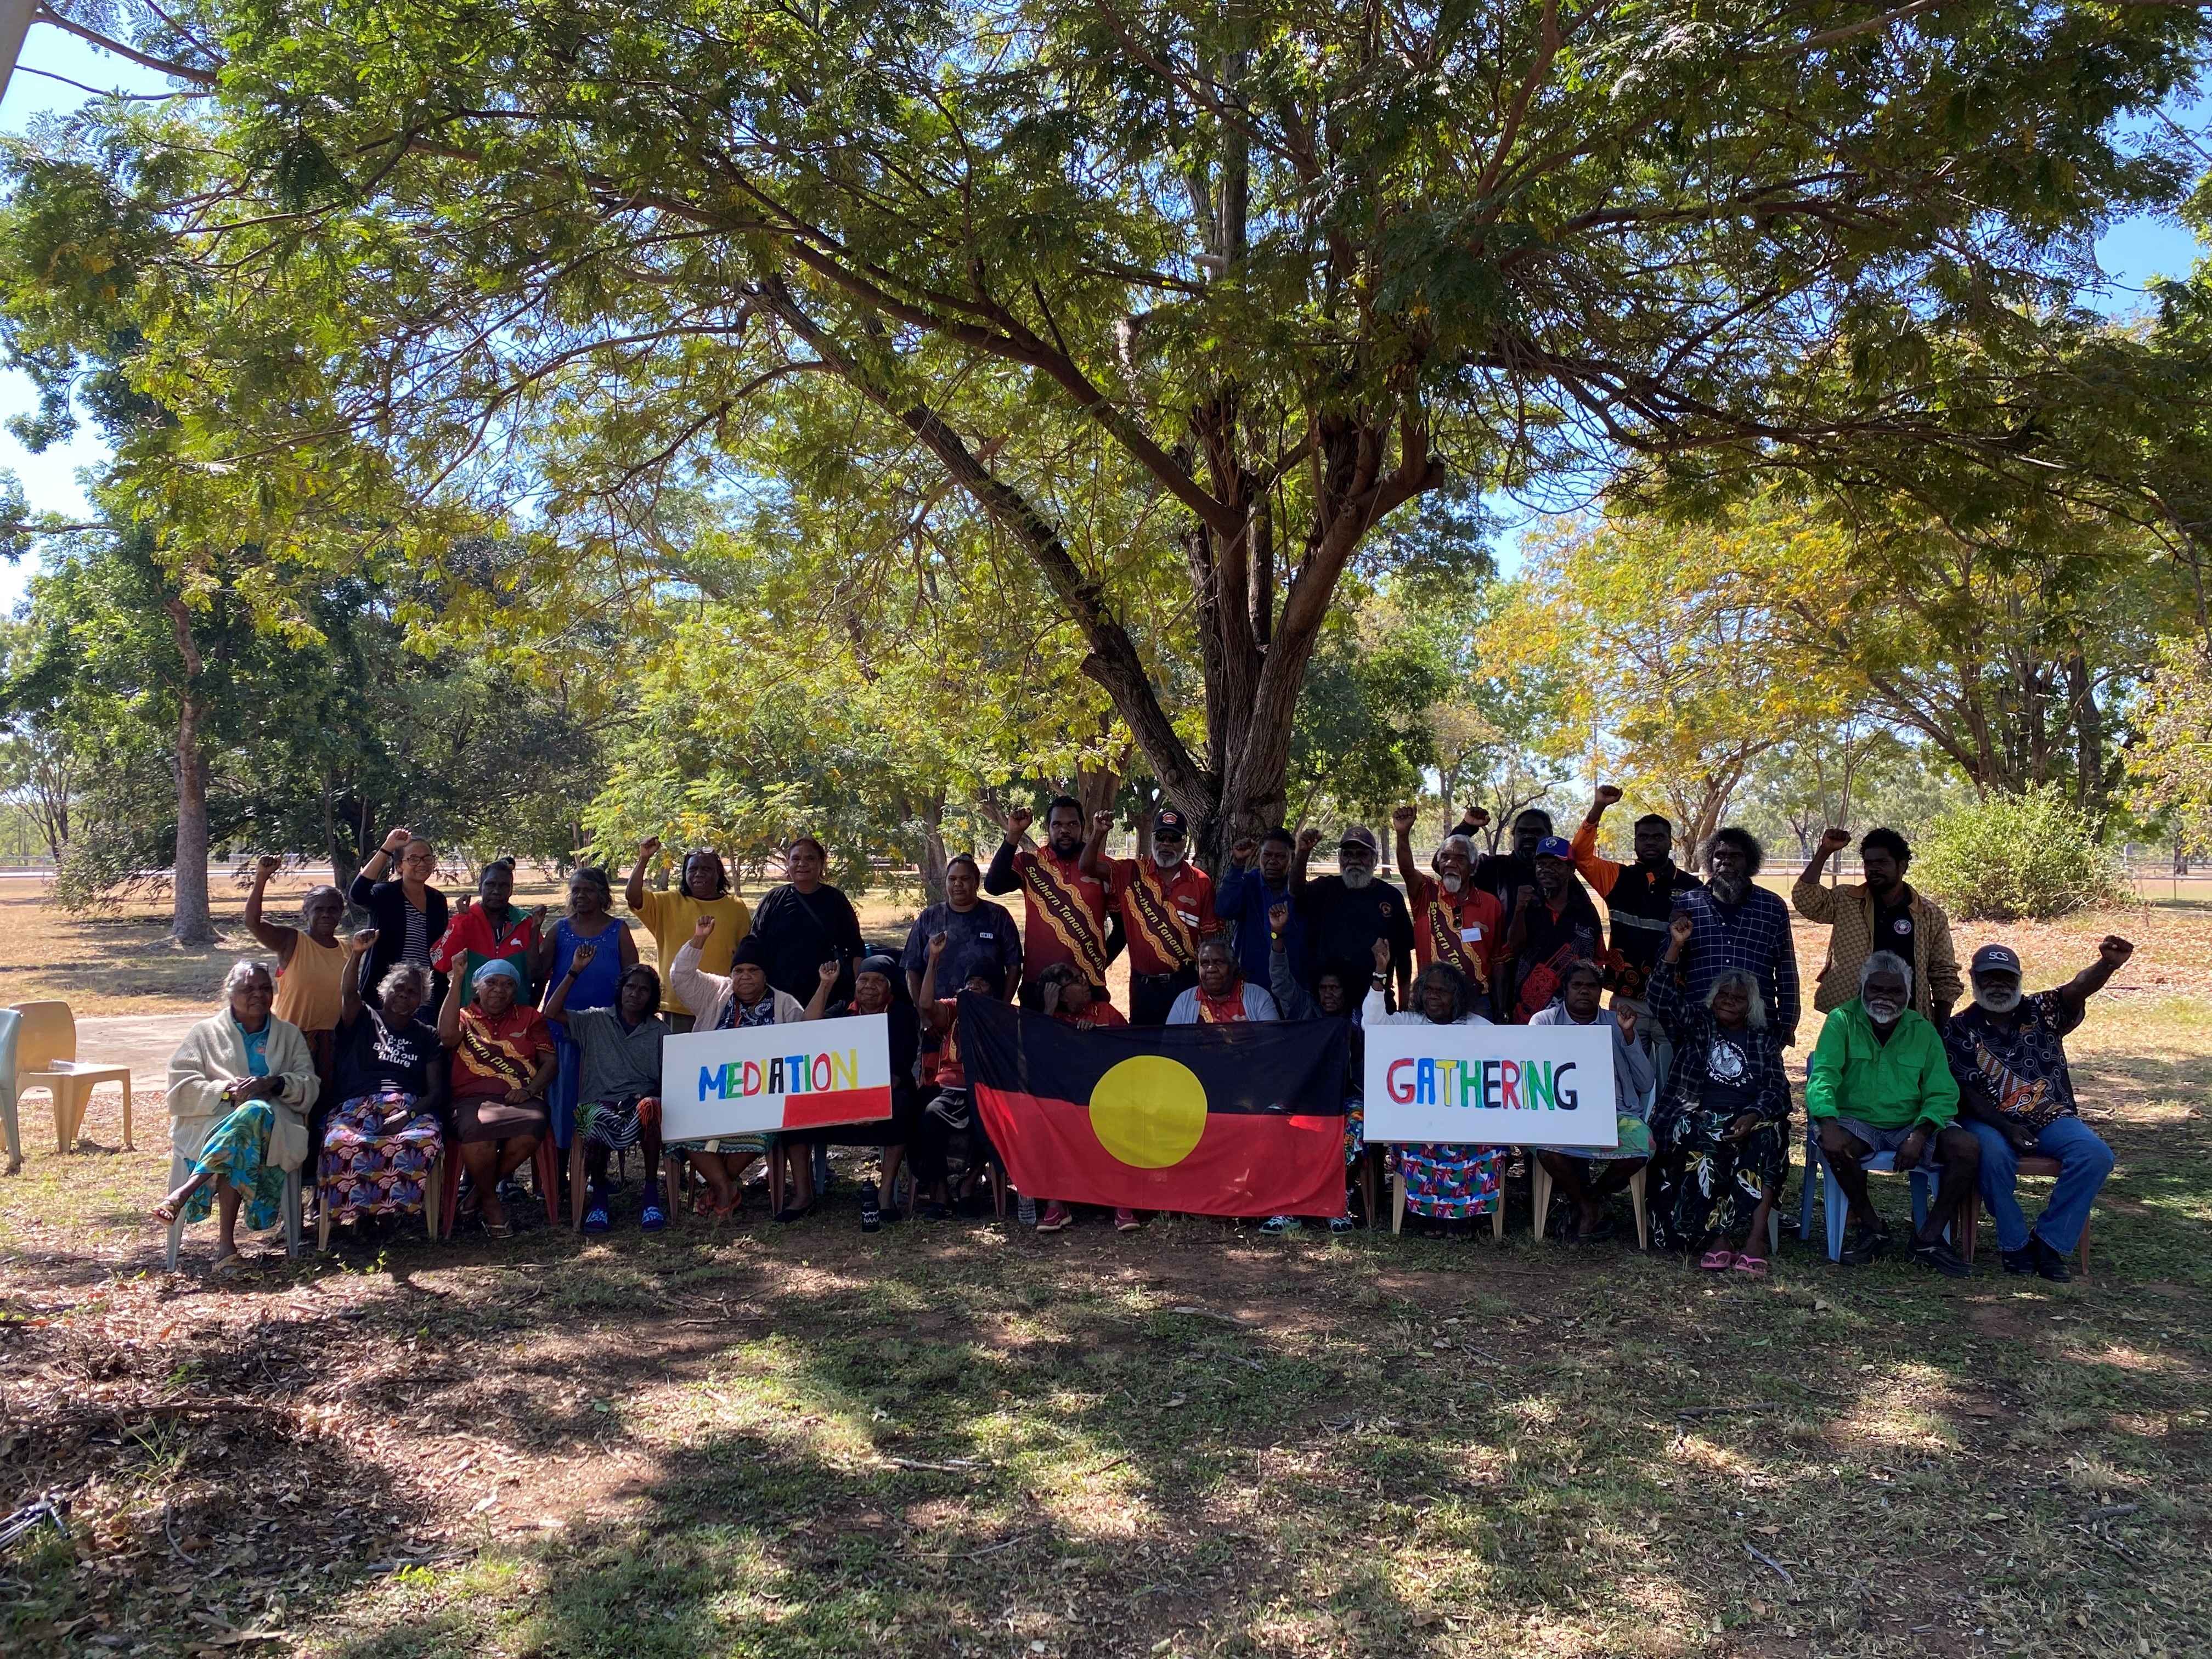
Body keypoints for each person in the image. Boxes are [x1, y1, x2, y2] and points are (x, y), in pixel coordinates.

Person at [1944, 937, 2131, 1282]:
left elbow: (2077, 989)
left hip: (2050, 1117)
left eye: (2006, 977)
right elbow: (1966, 1093)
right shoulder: (1958, 1029)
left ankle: (2049, 1243)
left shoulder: (2042, 1009)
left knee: (2096, 1156)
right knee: (1992, 1155)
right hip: (1989, 1120)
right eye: (1989, 977)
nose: (1998, 985)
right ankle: (2014, 1244)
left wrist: (2107, 965)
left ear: (2019, 979)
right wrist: (2007, 1127)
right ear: (1974, 979)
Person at [1805, 951, 1975, 1276]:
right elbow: (1823, 1075)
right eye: (1876, 989)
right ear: (1862, 989)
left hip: (1912, 1121)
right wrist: (1827, 1122)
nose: (1884, 997)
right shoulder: (1841, 1020)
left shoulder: (1923, 1031)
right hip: (1856, 1119)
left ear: (1908, 995)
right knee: (1835, 1146)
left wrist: (1920, 1134)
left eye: (1894, 991)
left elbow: (1942, 1092)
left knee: (1967, 1148)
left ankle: (1929, 1237)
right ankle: (1873, 1227)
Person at [1645, 913, 1795, 1271]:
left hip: (1749, 1118)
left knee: (1768, 1138)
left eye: (1738, 998)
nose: (1729, 1001)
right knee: (1704, 1134)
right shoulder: (1696, 1024)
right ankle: (1719, 1237)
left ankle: (1755, 1237)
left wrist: (1754, 1114)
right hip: (1696, 1113)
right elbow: (1660, 998)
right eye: (1723, 995)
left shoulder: (1762, 1040)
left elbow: (1779, 1092)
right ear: (1712, 999)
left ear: (1751, 1006)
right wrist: (1676, 946)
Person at [156, 961, 319, 1269]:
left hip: (275, 1126)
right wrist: (228, 1092)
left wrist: (275, 1083)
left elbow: (309, 1087)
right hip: (213, 1123)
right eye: (248, 989)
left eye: (264, 988)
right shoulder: (203, 1034)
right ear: (230, 994)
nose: (258, 994)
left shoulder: (288, 1035)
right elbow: (179, 1091)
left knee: (256, 1111)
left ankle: (187, 1192)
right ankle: (226, 1248)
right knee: (248, 1121)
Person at [665, 921, 834, 1219]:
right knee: (680, 1127)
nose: (744, 977)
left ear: (765, 975)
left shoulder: (783, 1004)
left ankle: (720, 1189)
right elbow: (680, 976)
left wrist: (824, 986)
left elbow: (807, 1037)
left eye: (753, 971)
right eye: (738, 971)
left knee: (762, 1131)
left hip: (761, 1102)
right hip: (711, 1096)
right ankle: (726, 1189)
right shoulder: (714, 993)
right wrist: (699, 938)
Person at [1361, 939, 1500, 1237]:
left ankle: (1464, 1219)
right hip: (1419, 1121)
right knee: (1418, 1145)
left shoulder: (1479, 1028)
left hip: (1469, 1121)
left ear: (1457, 997)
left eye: (1442, 991)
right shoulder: (1409, 1022)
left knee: (1482, 1147)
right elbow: (1371, 1025)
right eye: (1428, 989)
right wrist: (1380, 973)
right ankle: (1431, 1218)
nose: (1433, 996)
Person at [319, 944, 445, 1243]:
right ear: (384, 991)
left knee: (423, 1139)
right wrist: (357, 955)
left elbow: (437, 1091)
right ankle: (364, 1213)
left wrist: (408, 1115)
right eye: (398, 988)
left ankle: (387, 1212)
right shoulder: (363, 1018)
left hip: (409, 1107)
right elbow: (350, 994)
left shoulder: (426, 1035)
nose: (404, 995)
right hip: (355, 1105)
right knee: (341, 1142)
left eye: (412, 992)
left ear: (422, 1001)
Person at [1527, 960, 1655, 1244]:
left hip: (1615, 1113)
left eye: (1592, 986)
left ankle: (1587, 1202)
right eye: (1577, 985)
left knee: (1643, 1145)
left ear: (1601, 991)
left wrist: (1629, 1035)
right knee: (1543, 1148)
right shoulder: (1544, 1022)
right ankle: (1588, 1207)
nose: (1584, 991)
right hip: (1560, 1113)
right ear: (1566, 990)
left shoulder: (1616, 1023)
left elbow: (1646, 1082)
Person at [545, 947, 670, 1233]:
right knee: (598, 1114)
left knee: (652, 1107)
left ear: (652, 997)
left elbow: (672, 1079)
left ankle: (651, 1196)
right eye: (630, 987)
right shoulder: (595, 1020)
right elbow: (552, 1012)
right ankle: (598, 1196)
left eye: (643, 990)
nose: (635, 994)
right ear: (621, 990)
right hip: (598, 1105)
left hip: (640, 1106)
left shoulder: (661, 1032)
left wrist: (646, 1096)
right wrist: (575, 970)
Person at [1795, 826, 1963, 1026]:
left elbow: (1943, 973)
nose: (1873, 869)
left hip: (1909, 1018)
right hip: (1852, 1018)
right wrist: (1825, 850)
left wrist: (1941, 1029)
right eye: (1868, 863)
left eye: (1882, 862)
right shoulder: (1846, 900)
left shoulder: (1929, 915)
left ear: (1902, 866)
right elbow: (1806, 899)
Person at [437, 957, 555, 1239]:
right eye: (491, 983)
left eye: (508, 984)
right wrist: (456, 982)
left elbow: (550, 1063)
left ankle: (478, 1194)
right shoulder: (465, 1016)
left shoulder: (530, 1017)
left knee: (534, 1124)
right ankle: (491, 1203)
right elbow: (447, 1037)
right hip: (469, 1100)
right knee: (478, 1130)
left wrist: (528, 1090)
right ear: (478, 988)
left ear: (516, 991)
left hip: (520, 1098)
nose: (499, 990)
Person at [1264, 921, 1368, 1234]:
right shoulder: (1307, 1008)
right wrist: (1277, 936)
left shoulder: (1360, 1016)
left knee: (1356, 1124)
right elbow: (1281, 982)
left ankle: (1335, 1205)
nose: (1328, 995)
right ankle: (1288, 1206)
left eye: (1334, 988)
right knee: (1273, 1121)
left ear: (1346, 989)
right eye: (1323, 988)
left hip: (1347, 1097)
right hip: (1305, 1097)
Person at [813, 953, 922, 1233]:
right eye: (863, 979)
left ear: (890, 988)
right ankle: (804, 1195)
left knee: (903, 1105)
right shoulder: (842, 1009)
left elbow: (897, 1072)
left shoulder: (901, 1015)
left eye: (878, 981)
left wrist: (868, 1105)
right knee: (798, 1116)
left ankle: (886, 1194)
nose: (869, 986)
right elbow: (808, 1030)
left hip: (887, 1089)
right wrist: (825, 985)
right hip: (843, 1091)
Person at [1084, 807, 1221, 1024]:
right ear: (1152, 839)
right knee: (1147, 1052)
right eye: (1161, 837)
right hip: (1143, 987)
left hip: (1185, 983)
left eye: (1174, 838)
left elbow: (1210, 939)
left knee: (1183, 1049)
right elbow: (1087, 866)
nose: (1166, 844)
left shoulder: (1202, 883)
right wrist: (1098, 833)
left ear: (1184, 843)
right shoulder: (1129, 872)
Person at [1567, 786, 1701, 1003]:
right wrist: (1599, 807)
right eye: (1643, 837)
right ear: (1636, 842)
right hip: (1626, 998)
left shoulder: (1692, 886)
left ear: (1670, 842)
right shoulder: (1617, 877)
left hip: (1674, 999)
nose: (1650, 841)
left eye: (1658, 837)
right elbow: (1580, 857)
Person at [1671, 827, 1801, 1049]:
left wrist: (1784, 1030)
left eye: (1735, 856)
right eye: (1719, 856)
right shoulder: (1688, 905)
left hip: (1758, 1029)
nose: (1726, 862)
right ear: (1709, 861)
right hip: (1699, 1027)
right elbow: (1668, 969)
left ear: (1749, 861)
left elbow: (1786, 973)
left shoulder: (1772, 907)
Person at [536, 866, 637, 1151]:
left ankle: (595, 1169)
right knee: (563, 1096)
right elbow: (539, 969)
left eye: (588, 890)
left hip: (604, 1030)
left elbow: (633, 976)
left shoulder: (618, 930)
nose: (580, 896)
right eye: (576, 890)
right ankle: (561, 1169)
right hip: (562, 1026)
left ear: (603, 894)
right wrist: (534, 931)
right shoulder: (561, 929)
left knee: (598, 1099)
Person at [1023, 963, 1128, 1234]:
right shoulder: (1046, 1020)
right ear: (1057, 992)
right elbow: (1035, 1060)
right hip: (1064, 1098)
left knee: (1119, 1117)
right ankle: (1056, 1206)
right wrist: (1048, 1011)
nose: (1086, 984)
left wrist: (1097, 1037)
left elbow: (1131, 1050)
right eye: (1076, 981)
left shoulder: (1104, 1012)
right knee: (1044, 1118)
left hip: (1107, 1094)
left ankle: (1122, 1203)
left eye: (1084, 979)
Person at [912, 934, 1006, 1221]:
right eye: (971, 982)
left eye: (982, 983)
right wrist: (934, 958)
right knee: (928, 1115)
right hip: (948, 1086)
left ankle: (968, 1185)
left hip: (983, 1087)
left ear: (992, 991)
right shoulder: (954, 1009)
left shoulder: (1001, 1016)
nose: (974, 986)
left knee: (991, 1120)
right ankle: (941, 1192)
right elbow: (926, 1003)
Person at [985, 798, 1115, 1002]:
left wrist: (1098, 965)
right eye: (1058, 825)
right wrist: (1014, 834)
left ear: (1083, 826)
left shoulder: (1103, 867)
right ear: (1048, 828)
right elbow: (993, 886)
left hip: (1087, 987)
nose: (1065, 830)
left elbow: (1123, 927)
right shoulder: (1030, 863)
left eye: (1072, 824)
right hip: (1037, 985)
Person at [243, 857, 349, 1091]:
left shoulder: (348, 949)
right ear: (305, 913)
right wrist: (262, 877)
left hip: (334, 1044)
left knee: (327, 1103)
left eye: (333, 910)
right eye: (318, 909)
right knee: (292, 1101)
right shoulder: (292, 941)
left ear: (341, 913)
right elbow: (252, 923)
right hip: (294, 1040)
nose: (326, 915)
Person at [625, 838, 752, 1032]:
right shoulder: (667, 903)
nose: (699, 874)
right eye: (692, 869)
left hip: (721, 1004)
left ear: (718, 874)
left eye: (707, 869)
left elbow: (744, 956)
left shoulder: (736, 907)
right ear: (685, 874)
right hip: (678, 1004)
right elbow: (633, 897)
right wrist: (644, 859)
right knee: (678, 1062)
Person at [1391, 805, 1504, 1017]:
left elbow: (1498, 961)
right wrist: (1403, 834)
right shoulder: (1426, 892)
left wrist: (1500, 1008)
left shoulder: (1491, 904)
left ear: (1473, 867)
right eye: (1445, 858)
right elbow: (1407, 870)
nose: (1451, 863)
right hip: (1431, 1003)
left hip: (1477, 1003)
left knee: (1477, 1052)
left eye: (1460, 859)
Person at [1290, 825, 1414, 1005]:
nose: (1354, 860)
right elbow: (1296, 892)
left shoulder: (1391, 897)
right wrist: (1303, 852)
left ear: (1375, 859)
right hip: (1328, 1003)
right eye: (1348, 854)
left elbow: (1403, 957)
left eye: (1362, 854)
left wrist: (1404, 1005)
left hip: (1376, 999)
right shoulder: (1325, 889)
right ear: (1340, 859)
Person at [748, 835, 867, 1005]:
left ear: (821, 864)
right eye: (796, 859)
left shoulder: (836, 900)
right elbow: (754, 946)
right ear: (788, 864)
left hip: (828, 996)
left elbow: (856, 948)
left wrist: (856, 989)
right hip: (779, 999)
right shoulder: (774, 899)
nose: (802, 864)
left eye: (810, 859)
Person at [1499, 837, 1606, 1023]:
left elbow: (1597, 964)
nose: (1546, 869)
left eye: (1556, 864)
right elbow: (1515, 946)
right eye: (1541, 864)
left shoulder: (1586, 911)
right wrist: (1520, 909)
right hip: (1527, 1013)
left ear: (1571, 870)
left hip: (1573, 1016)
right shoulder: (1527, 904)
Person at [900, 852, 1022, 1008]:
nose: (958, 884)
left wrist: (1002, 1009)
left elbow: (1014, 967)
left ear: (976, 883)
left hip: (985, 1014)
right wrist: (924, 1015)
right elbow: (911, 968)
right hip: (937, 1016)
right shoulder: (930, 917)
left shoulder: (998, 916)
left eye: (965, 879)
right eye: (952, 879)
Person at [349, 826, 450, 1006]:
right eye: (413, 859)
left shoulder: (437, 900)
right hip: (386, 999)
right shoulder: (385, 895)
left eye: (427, 858)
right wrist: (387, 847)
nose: (422, 864)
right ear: (399, 866)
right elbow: (358, 894)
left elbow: (439, 950)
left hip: (427, 1000)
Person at [430, 859, 546, 1007]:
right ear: (480, 888)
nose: (497, 891)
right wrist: (462, 920)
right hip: (471, 1017)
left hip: (517, 1017)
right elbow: (441, 964)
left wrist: (531, 1011)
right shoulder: (465, 920)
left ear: (511, 890)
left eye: (504, 886)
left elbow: (542, 974)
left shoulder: (525, 923)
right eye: (490, 884)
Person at [1217, 827, 1308, 989]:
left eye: (1280, 856)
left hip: (1293, 990)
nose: (1272, 861)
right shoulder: (1247, 884)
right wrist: (1238, 864)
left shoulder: (1300, 892)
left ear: (1292, 858)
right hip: (1251, 988)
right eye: (1267, 855)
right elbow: (1224, 910)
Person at [1457, 804, 1553, 937]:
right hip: (1498, 955)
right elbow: (1445, 866)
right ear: (1514, 836)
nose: (1528, 836)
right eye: (1522, 831)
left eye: (1537, 832)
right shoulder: (1491, 867)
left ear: (1550, 836)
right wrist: (1467, 827)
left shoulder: (1560, 875)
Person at [1166, 935, 1280, 1025]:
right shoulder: (1184, 1001)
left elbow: (1273, 1043)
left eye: (1218, 962)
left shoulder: (1258, 997)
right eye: (1205, 963)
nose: (1211, 969)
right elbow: (1169, 1047)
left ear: (1234, 965)